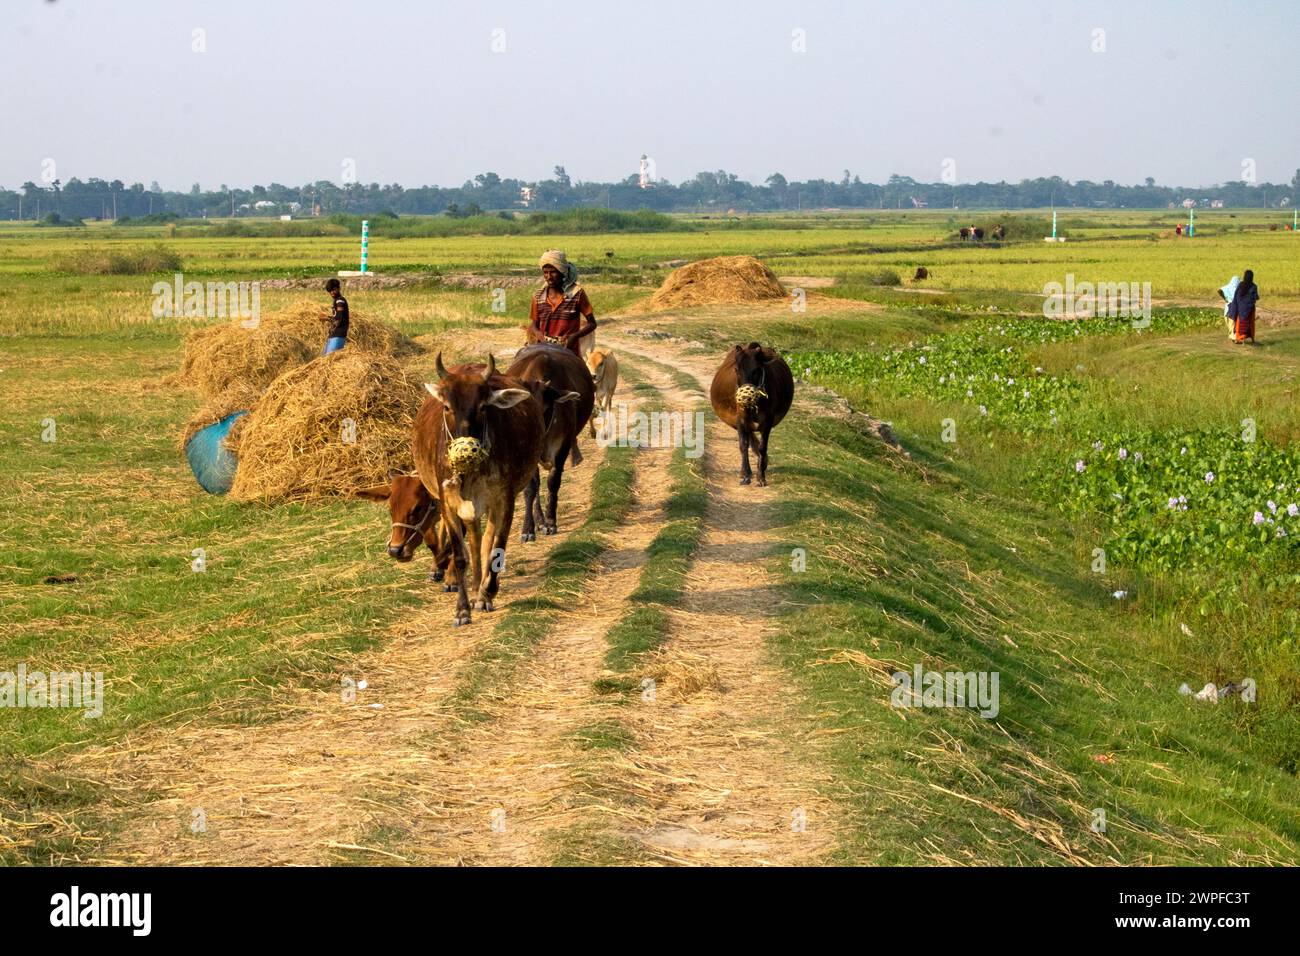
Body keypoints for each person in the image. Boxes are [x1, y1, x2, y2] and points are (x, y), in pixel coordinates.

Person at [528, 249, 597, 358]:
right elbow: (534, 324)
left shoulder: (576, 293)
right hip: (544, 350)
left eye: (553, 272)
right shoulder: (538, 296)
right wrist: (538, 334)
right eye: (545, 272)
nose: (549, 277)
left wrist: (573, 337)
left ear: (562, 272)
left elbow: (592, 323)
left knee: (582, 375)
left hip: (568, 352)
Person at [1228, 269, 1259, 345]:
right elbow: (1255, 297)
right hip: (1250, 309)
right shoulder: (1254, 286)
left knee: (1240, 323)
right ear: (1252, 277)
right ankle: (1251, 339)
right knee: (1250, 323)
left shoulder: (1241, 285)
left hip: (1240, 309)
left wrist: (1239, 306)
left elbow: (1237, 297)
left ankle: (1240, 338)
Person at [321, 278, 349, 355]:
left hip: (338, 334)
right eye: (330, 291)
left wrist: (327, 318)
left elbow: (339, 318)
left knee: (329, 358)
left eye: (334, 289)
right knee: (323, 357)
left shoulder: (340, 301)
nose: (332, 292)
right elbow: (337, 317)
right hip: (333, 335)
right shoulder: (337, 300)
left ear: (338, 288)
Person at [1218, 275, 1239, 339]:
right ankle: (1233, 335)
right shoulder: (1238, 289)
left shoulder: (1227, 287)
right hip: (1234, 308)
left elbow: (1219, 290)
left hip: (1227, 307)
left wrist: (1225, 298)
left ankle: (1232, 334)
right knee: (1232, 322)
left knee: (1229, 321)